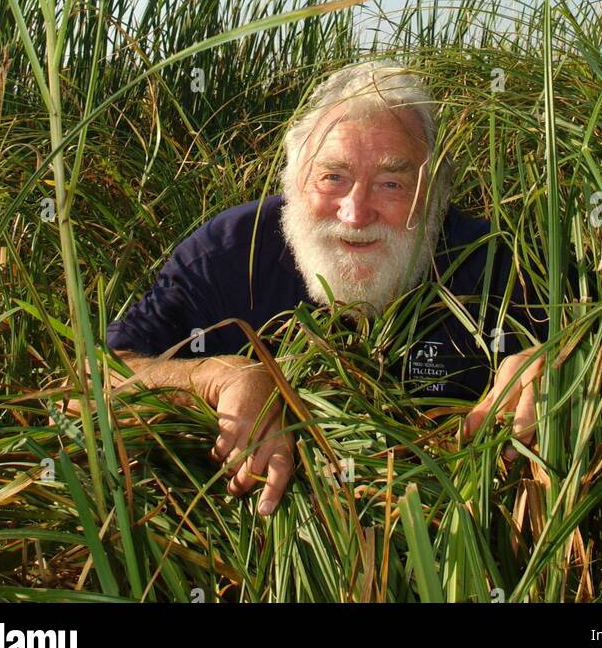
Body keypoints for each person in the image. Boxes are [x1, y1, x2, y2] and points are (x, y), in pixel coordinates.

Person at [102, 60, 549, 515]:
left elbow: (586, 337)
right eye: (333, 177)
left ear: (435, 192)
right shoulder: (227, 253)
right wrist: (217, 378)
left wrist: (559, 366)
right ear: (294, 180)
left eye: (391, 184)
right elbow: (94, 377)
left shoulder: (496, 263)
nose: (355, 214)